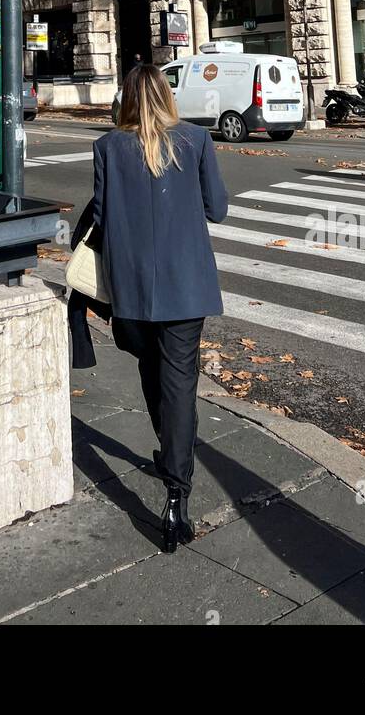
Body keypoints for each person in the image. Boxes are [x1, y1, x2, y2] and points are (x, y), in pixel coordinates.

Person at [91, 63, 228, 553]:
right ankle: (177, 494)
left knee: (152, 371)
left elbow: (103, 218)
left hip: (131, 287)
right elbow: (217, 208)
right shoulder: (195, 140)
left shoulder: (108, 146)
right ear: (168, 95)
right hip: (186, 285)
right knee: (181, 382)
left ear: (125, 99)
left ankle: (169, 451)